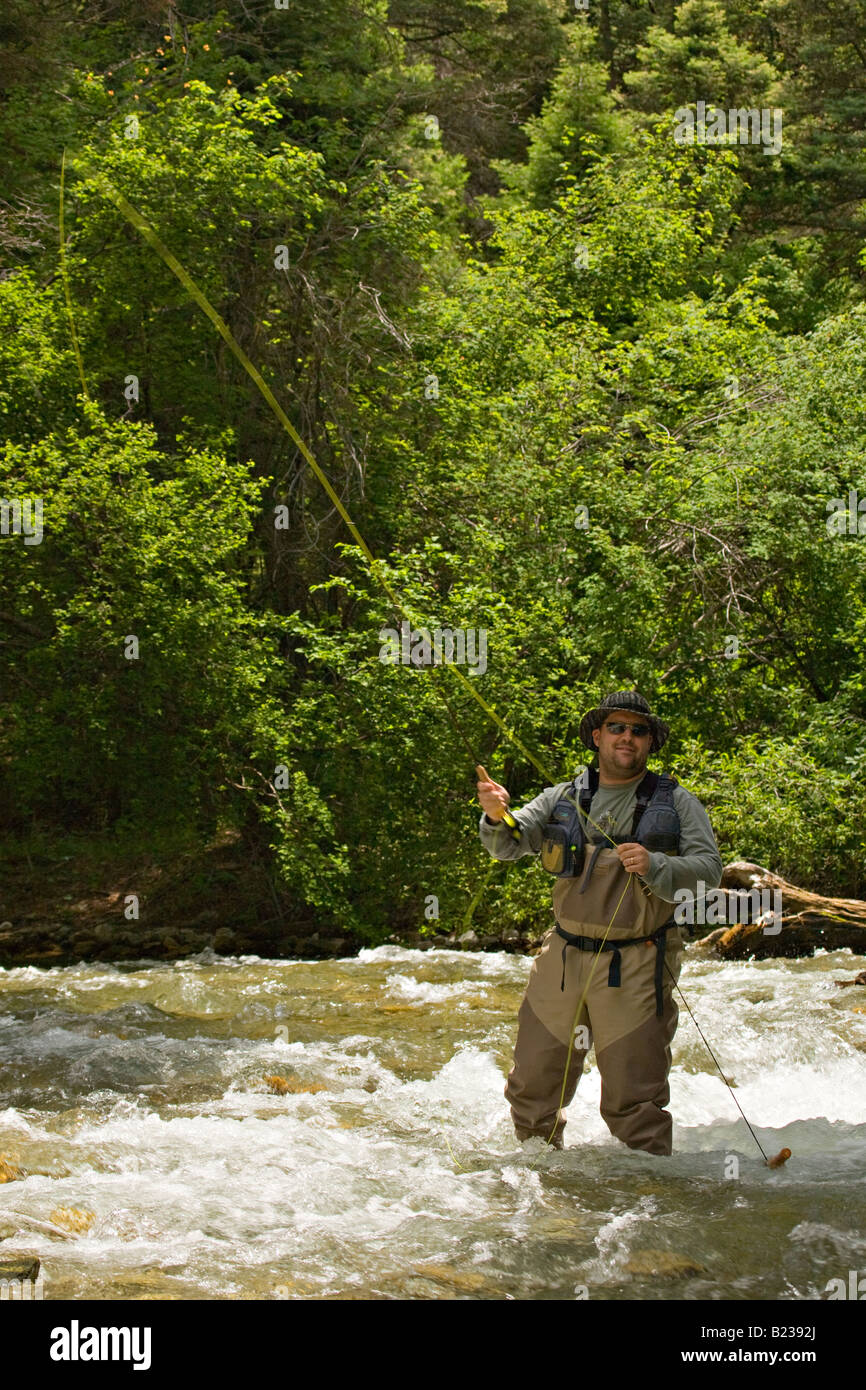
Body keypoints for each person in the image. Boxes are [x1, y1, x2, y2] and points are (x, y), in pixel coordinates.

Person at [477, 690, 722, 1156]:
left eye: (638, 730)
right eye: (617, 727)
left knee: (635, 1102)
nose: (627, 737)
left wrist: (657, 865)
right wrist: (495, 815)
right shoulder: (562, 796)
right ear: (597, 736)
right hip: (564, 959)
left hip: (638, 959)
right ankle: (540, 1189)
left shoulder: (678, 802)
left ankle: (645, 1208)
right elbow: (510, 842)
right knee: (532, 1088)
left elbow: (709, 871)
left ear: (650, 742)